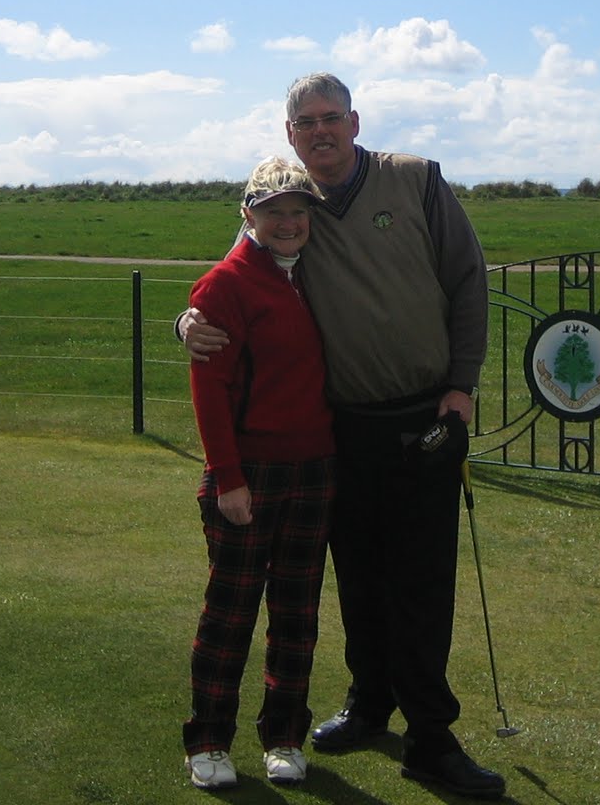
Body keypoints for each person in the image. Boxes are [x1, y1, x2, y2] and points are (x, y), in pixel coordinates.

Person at [180, 73, 504, 798]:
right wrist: (188, 323)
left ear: (355, 122)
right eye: (307, 122)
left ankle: (430, 738)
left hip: (425, 416)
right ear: (290, 133)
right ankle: (368, 703)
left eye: (333, 118)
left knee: (420, 585)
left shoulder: (416, 180)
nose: (321, 131)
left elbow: (468, 278)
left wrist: (462, 383)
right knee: (356, 578)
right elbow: (234, 275)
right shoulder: (289, 200)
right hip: (342, 432)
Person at [181, 157, 337, 791]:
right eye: (275, 212)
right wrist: (228, 478)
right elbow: (209, 393)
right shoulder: (225, 284)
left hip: (317, 467)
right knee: (232, 612)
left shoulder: (318, 272)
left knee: (297, 612)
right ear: (249, 216)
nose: (290, 223)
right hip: (250, 471)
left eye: (299, 211)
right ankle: (209, 739)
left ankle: (283, 735)